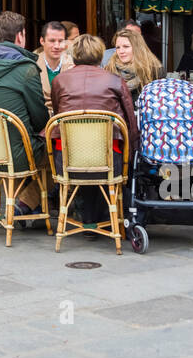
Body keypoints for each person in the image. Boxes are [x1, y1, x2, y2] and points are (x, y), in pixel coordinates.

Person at [0, 11, 50, 216]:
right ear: (20, 36)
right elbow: (40, 119)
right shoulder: (26, 69)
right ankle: (25, 203)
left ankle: (27, 205)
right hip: (16, 156)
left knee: (23, 140)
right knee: (59, 150)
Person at [51, 33, 137, 224]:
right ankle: (108, 217)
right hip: (108, 159)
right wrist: (132, 154)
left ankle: (85, 215)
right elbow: (130, 121)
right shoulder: (115, 81)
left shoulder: (60, 81)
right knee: (113, 146)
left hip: (67, 159)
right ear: (100, 55)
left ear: (74, 55)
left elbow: (58, 115)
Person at [105, 26, 163, 99]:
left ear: (137, 48)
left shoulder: (153, 70)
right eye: (118, 47)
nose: (121, 51)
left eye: (126, 46)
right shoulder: (109, 69)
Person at [36, 21, 74, 113]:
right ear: (42, 41)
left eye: (61, 41)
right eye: (52, 41)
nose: (57, 46)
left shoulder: (74, 66)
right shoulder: (33, 65)